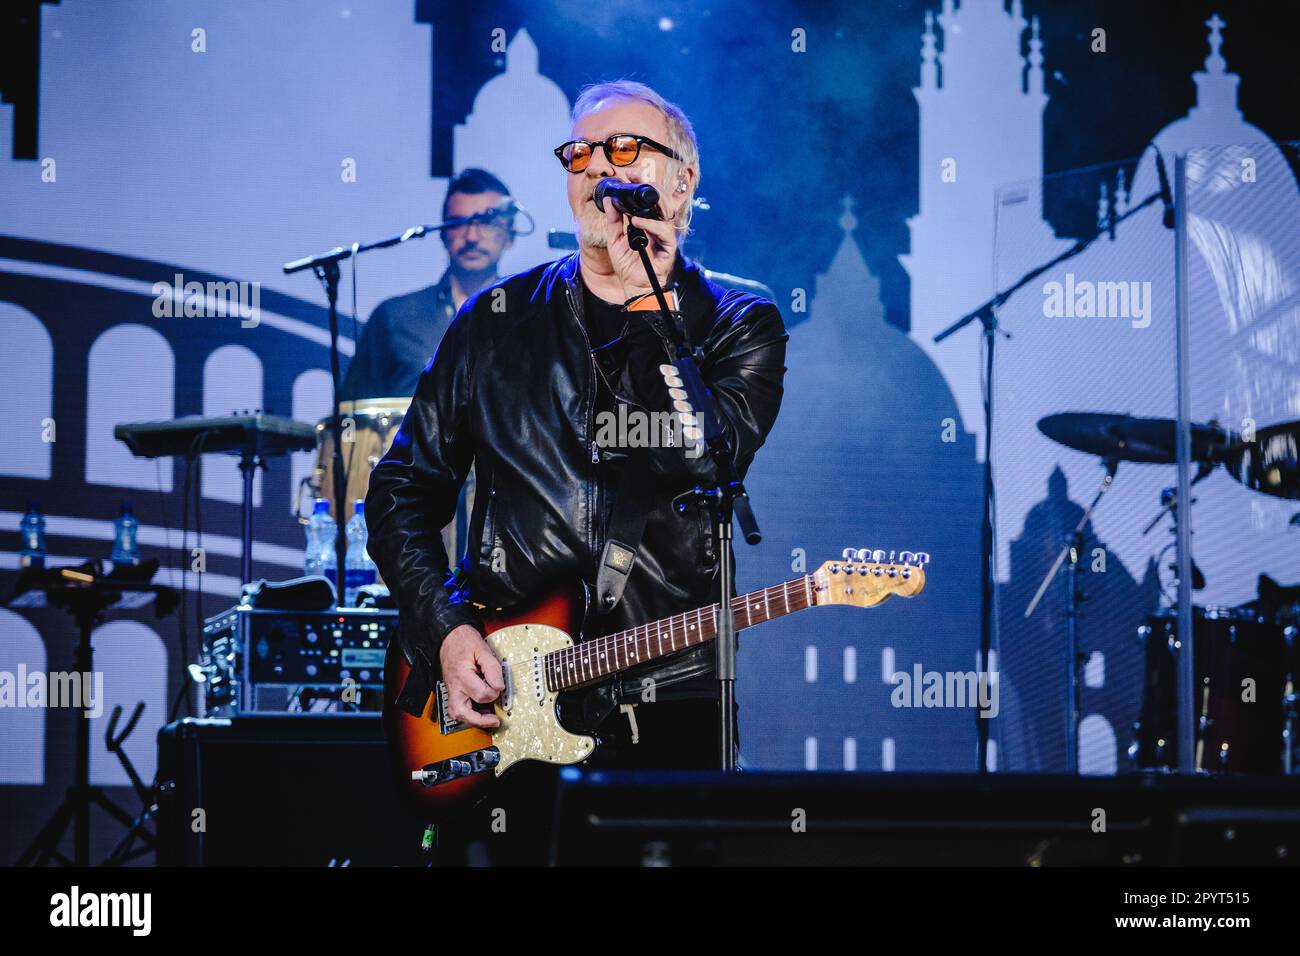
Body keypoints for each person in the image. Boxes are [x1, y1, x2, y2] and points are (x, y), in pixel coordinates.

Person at [366, 80, 787, 863]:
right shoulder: (494, 324)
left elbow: (709, 454)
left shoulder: (739, 320)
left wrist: (651, 311)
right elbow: (398, 491)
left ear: (681, 179)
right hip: (505, 705)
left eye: (625, 150)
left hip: (668, 702)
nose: (598, 169)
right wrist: (446, 631)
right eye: (581, 153)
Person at [340, 167, 515, 400]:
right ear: (443, 233)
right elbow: (356, 418)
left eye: (486, 223)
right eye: (458, 223)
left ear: (510, 236)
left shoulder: (531, 316)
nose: (472, 237)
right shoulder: (395, 316)